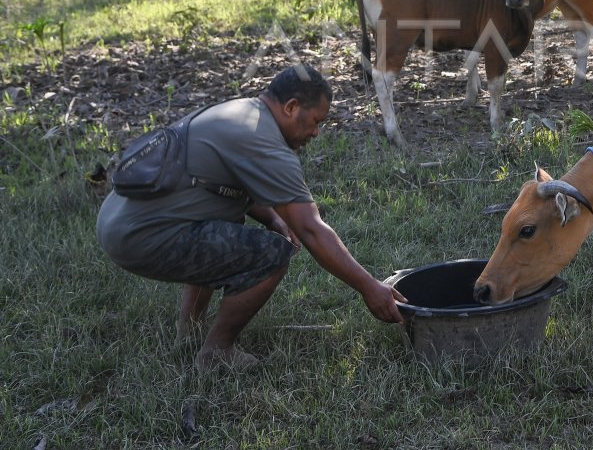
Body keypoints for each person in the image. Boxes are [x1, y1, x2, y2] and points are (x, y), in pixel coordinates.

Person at [97, 64, 405, 370]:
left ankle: (189, 332)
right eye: (315, 121)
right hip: (138, 236)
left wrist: (273, 218)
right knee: (269, 254)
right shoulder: (265, 142)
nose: (316, 132)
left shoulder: (240, 113)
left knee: (226, 225)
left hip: (118, 220)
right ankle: (217, 352)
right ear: (291, 107)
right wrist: (370, 287)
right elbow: (311, 230)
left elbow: (220, 183)